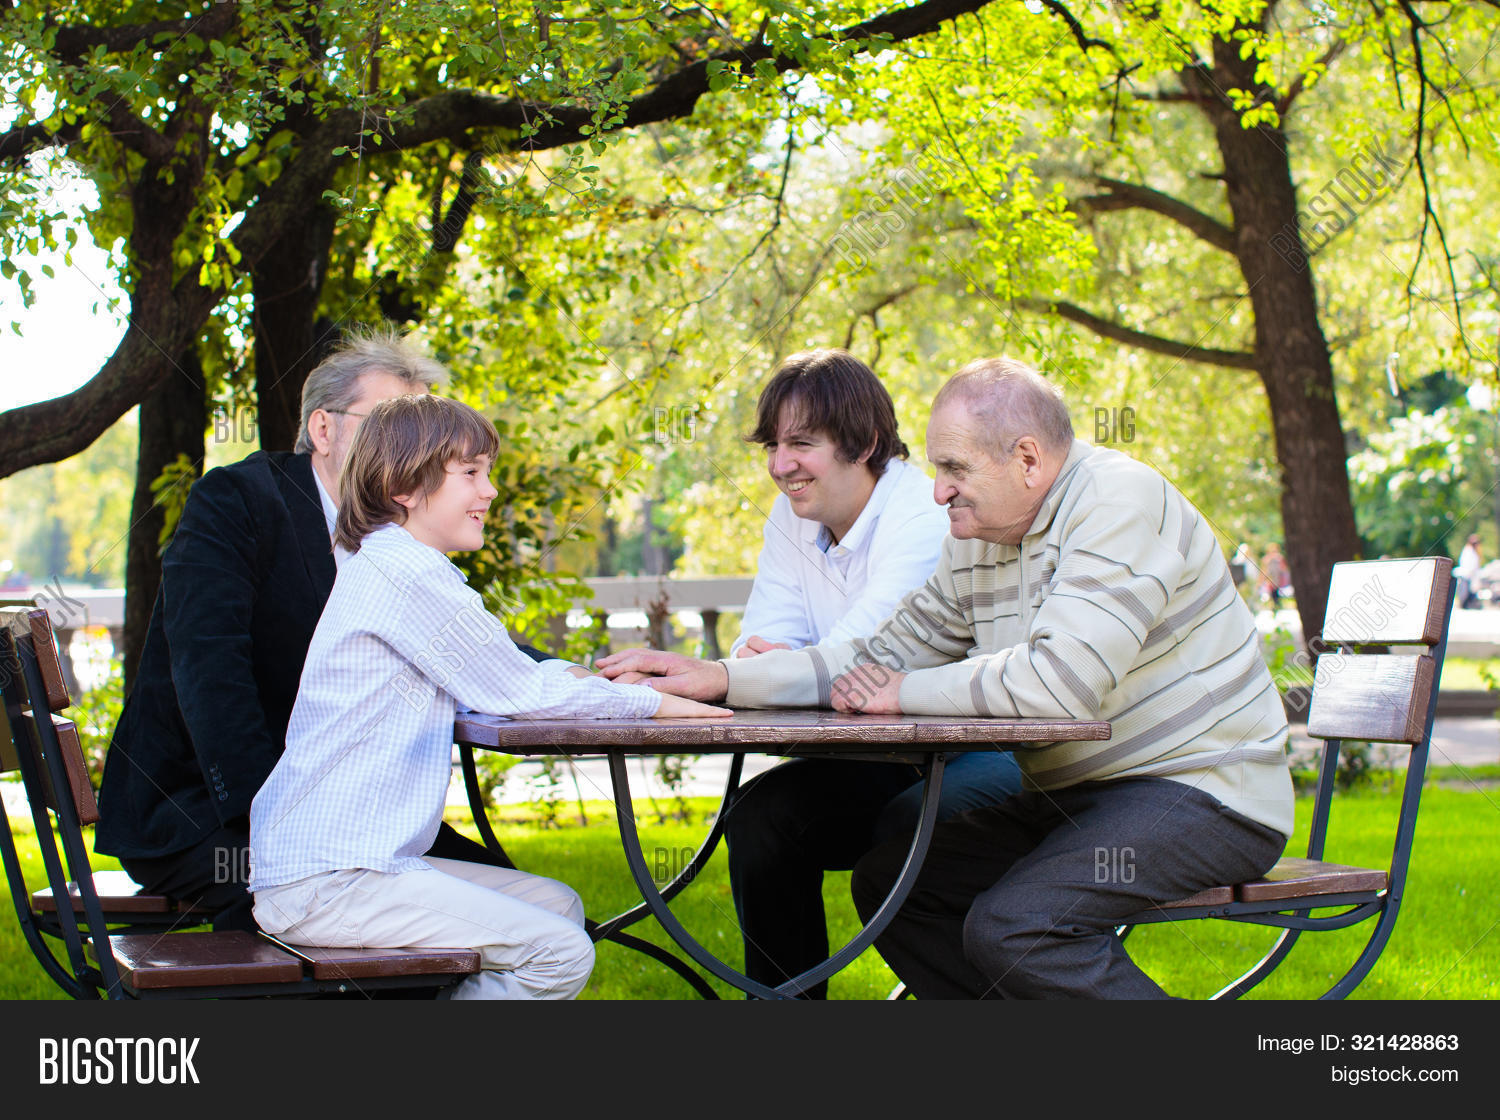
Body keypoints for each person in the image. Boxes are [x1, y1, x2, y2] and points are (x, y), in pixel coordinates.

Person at [600, 357, 1293, 999]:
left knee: (1017, 926)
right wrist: (721, 678)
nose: (937, 491)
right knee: (898, 887)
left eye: (954, 468)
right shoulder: (978, 539)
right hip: (1076, 798)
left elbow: (1059, 687)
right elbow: (874, 656)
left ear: (1027, 459)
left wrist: (902, 692)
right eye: (936, 468)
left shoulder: (1117, 502)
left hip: (1204, 794)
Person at [248, 395, 729, 999]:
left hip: (338, 866)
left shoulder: (394, 564)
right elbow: (519, 692)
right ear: (403, 487)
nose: (490, 490)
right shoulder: (408, 575)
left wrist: (592, 684)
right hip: (332, 879)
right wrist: (655, 701)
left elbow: (497, 677)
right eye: (471, 473)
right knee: (559, 953)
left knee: (557, 906)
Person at [600, 349, 1026, 997]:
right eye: (772, 445)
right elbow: (758, 648)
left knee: (904, 831)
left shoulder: (923, 516)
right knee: (761, 817)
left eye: (800, 444)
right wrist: (784, 668)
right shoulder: (792, 517)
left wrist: (780, 670)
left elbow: (862, 661)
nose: (780, 465)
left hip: (979, 750)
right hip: (882, 753)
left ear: (866, 444)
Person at [95, 328, 548, 931]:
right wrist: (274, 821)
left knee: (524, 902)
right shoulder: (236, 501)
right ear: (323, 429)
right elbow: (209, 673)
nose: (409, 446)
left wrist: (587, 678)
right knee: (353, 915)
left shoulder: (402, 536)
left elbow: (466, 645)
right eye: (387, 423)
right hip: (205, 813)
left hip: (349, 816)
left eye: (423, 433)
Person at [1261, 542, 1290, 610]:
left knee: (1277, 594)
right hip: (1271, 579)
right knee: (1272, 594)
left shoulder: (1279, 558)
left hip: (1278, 579)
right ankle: (1275, 606)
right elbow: (1264, 570)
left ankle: (1277, 606)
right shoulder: (1267, 559)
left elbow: (1283, 569)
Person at [1457, 534, 1482, 610]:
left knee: (1471, 591)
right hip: (1466, 574)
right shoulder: (1468, 551)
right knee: (1464, 591)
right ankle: (1463, 604)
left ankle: (1469, 605)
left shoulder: (1474, 551)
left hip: (1471, 575)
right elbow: (1466, 563)